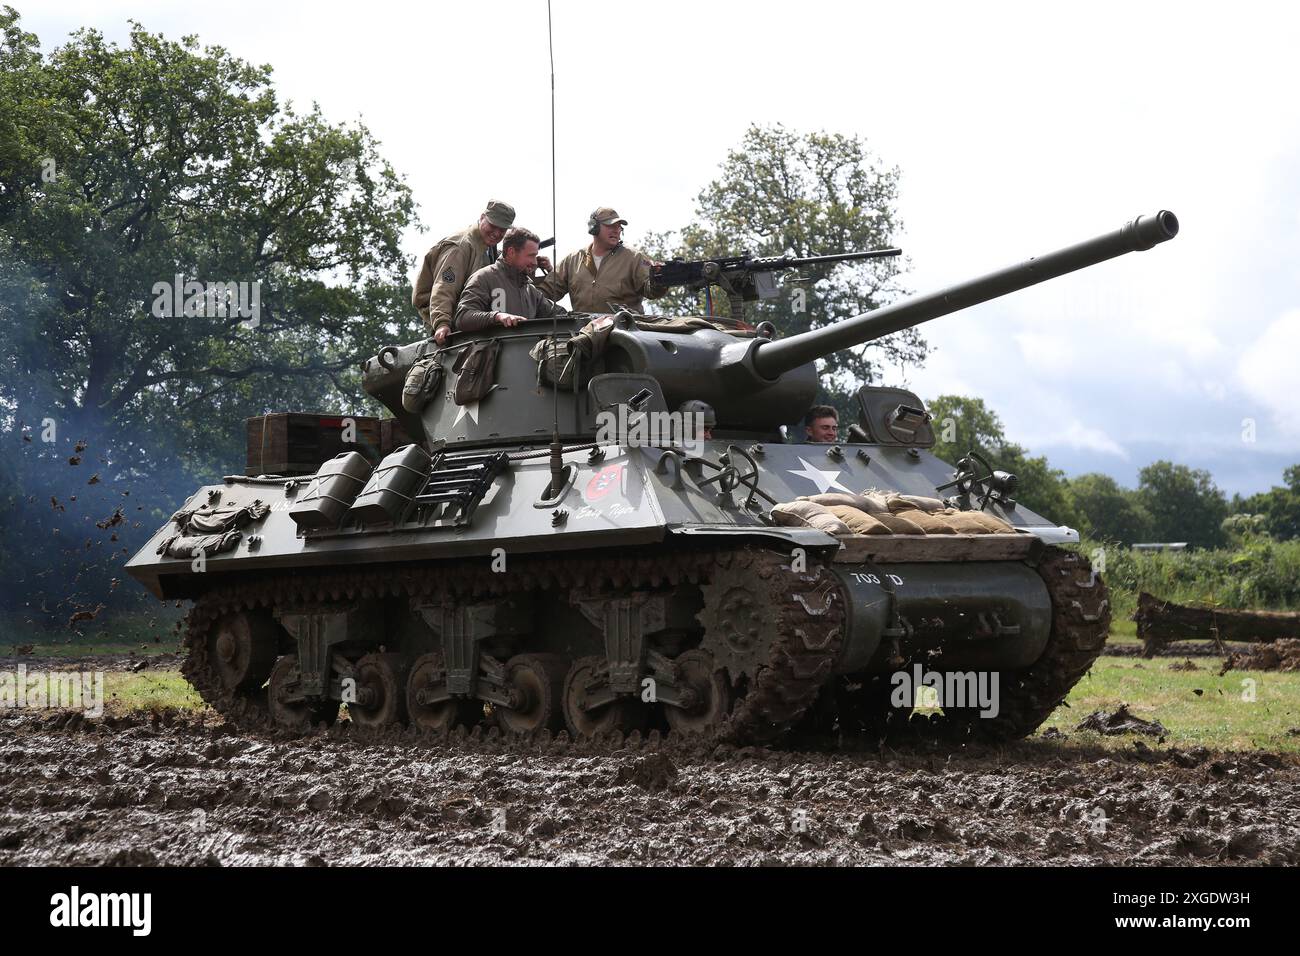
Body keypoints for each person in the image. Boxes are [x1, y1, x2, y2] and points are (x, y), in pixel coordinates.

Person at [412, 200, 520, 343]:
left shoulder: (488, 247)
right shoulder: (460, 248)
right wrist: (442, 323)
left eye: (502, 229)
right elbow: (444, 288)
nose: (497, 233)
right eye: (493, 226)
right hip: (449, 320)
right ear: (482, 217)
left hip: (472, 318)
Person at [534, 207, 665, 313]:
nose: (616, 230)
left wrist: (660, 278)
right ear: (594, 228)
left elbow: (651, 291)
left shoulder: (634, 258)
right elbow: (546, 292)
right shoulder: (573, 260)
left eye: (619, 227)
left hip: (623, 333)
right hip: (584, 333)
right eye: (610, 226)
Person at [455, 228, 566, 331]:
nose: (535, 262)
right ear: (511, 252)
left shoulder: (530, 291)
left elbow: (558, 314)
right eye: (531, 256)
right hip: (493, 350)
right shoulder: (484, 278)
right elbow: (463, 317)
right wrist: (497, 317)